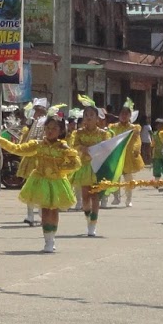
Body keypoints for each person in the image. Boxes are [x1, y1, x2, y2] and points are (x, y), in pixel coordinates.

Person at [0, 106, 81, 252]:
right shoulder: (38, 144)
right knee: (44, 211)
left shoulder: (63, 147)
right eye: (48, 128)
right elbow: (18, 149)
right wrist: (0, 140)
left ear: (61, 130)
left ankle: (52, 239)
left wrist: (62, 167)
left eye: (54, 128)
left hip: (56, 182)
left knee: (53, 211)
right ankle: (47, 240)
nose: (50, 131)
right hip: (40, 181)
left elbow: (76, 164)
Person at [67, 97, 112, 237]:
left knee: (95, 196)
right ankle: (88, 218)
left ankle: (93, 225)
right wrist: (82, 148)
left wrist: (99, 151)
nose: (88, 118)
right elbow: (73, 146)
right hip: (85, 167)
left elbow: (108, 148)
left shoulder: (104, 133)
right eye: (86, 115)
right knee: (85, 197)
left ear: (97, 118)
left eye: (91, 115)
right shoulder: (78, 133)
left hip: (98, 167)